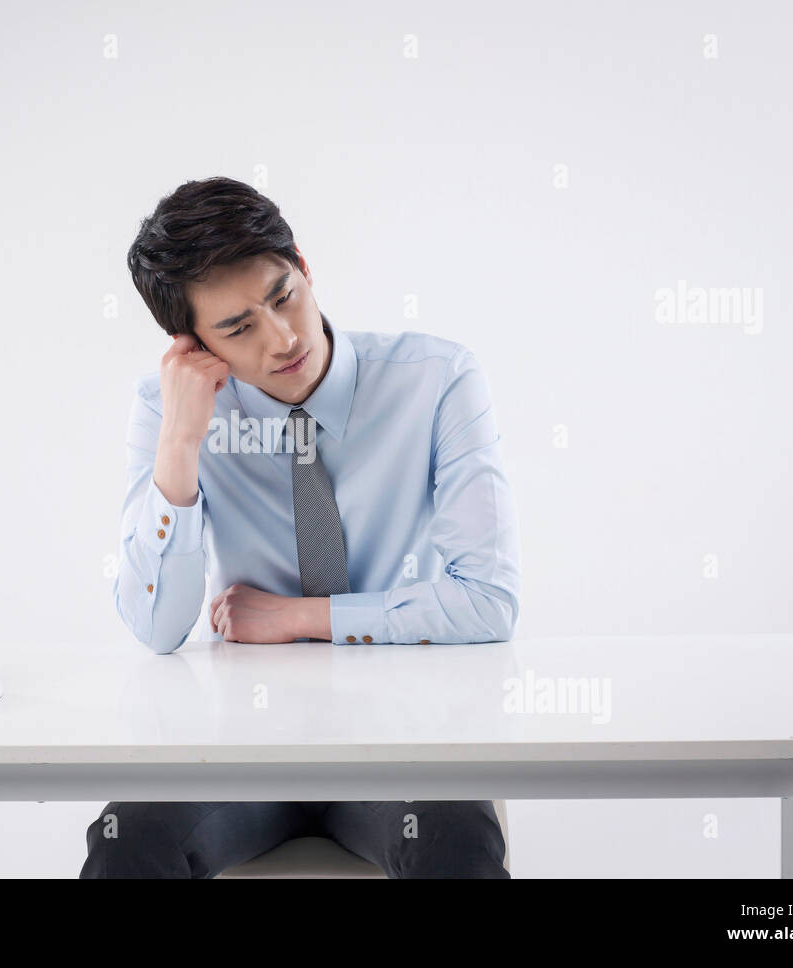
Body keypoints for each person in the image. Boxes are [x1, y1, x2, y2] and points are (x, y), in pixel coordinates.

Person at [81, 176, 519, 878]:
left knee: (452, 835)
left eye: (284, 296)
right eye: (237, 328)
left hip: (401, 734)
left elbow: (488, 602)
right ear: (192, 343)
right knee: (122, 837)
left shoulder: (438, 381)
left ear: (305, 267)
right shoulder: (166, 411)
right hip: (244, 745)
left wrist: (299, 617)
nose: (282, 338)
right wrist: (181, 446)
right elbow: (157, 628)